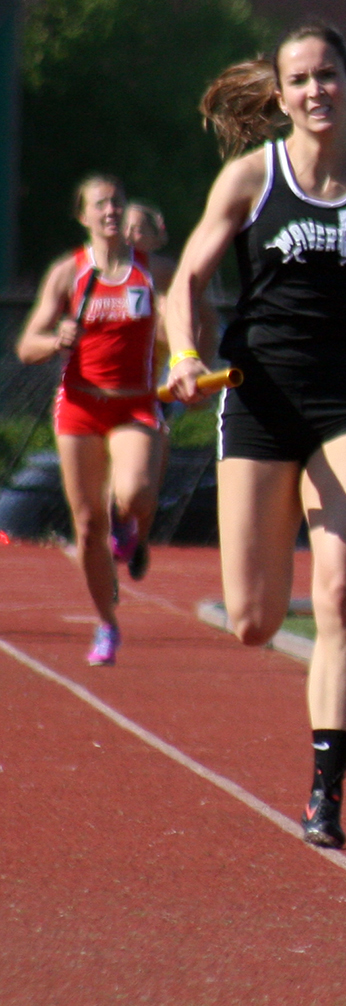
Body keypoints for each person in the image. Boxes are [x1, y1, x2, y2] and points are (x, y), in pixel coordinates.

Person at [162, 24, 346, 849]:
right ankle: (270, 603)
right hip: (258, 402)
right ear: (281, 96)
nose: (316, 90)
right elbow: (185, 278)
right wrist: (185, 353)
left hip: (344, 403)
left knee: (340, 592)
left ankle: (326, 794)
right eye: (300, 80)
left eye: (328, 75)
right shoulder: (250, 180)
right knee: (254, 619)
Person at [15, 176, 178, 665]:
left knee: (135, 493)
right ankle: (106, 624)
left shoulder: (153, 272)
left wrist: (188, 351)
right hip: (81, 404)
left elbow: (189, 315)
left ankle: (135, 532)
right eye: (100, 204)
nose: (111, 210)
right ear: (83, 215)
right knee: (88, 524)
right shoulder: (69, 273)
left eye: (118, 203)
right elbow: (27, 346)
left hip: (134, 403)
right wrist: (55, 339)